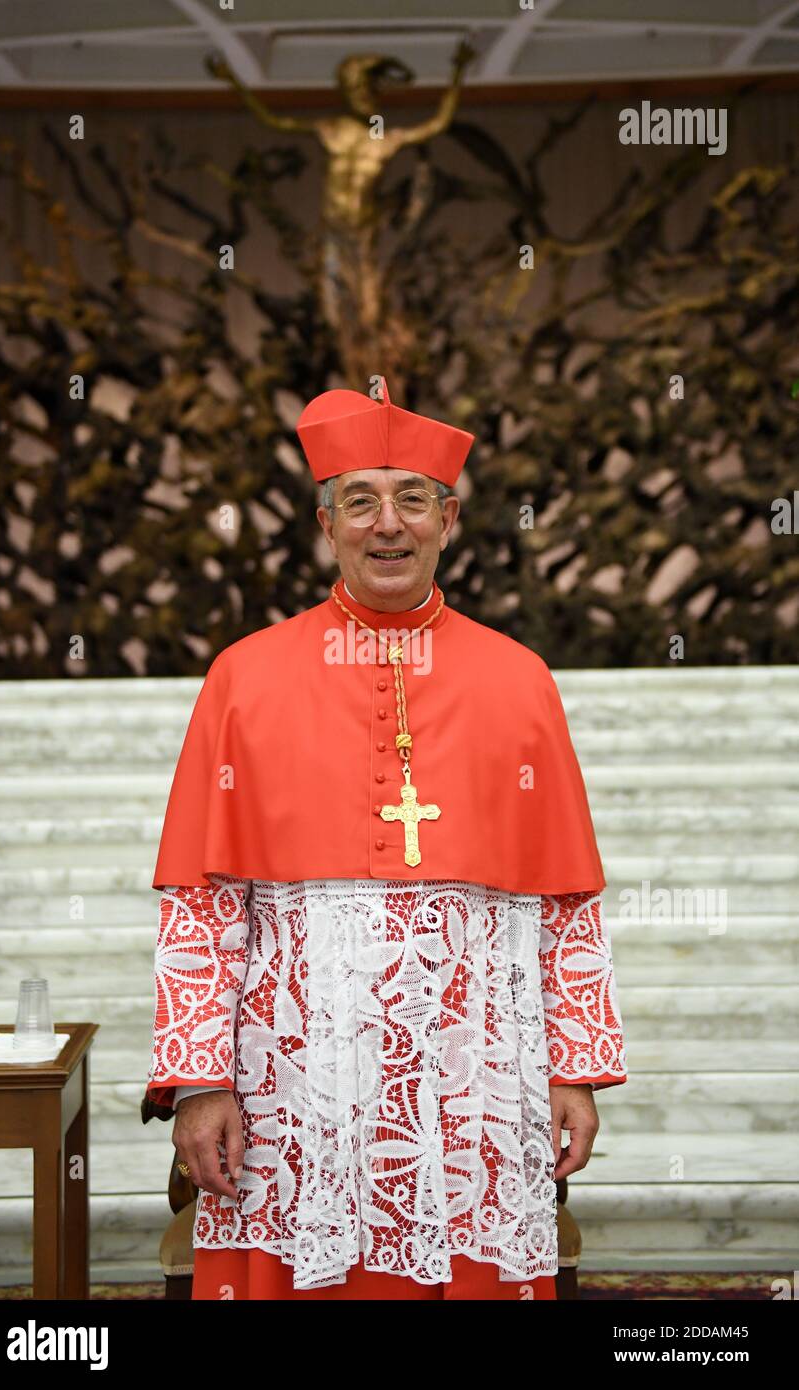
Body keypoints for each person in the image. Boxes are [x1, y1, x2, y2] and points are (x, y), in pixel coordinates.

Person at [145, 377, 627, 1301]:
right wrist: (199, 1082)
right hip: (294, 1084)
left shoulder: (521, 680)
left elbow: (564, 902)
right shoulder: (241, 680)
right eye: (359, 501)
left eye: (412, 500)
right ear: (326, 525)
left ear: (449, 519)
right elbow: (202, 907)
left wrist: (577, 1069)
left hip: (475, 1083)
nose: (387, 524)